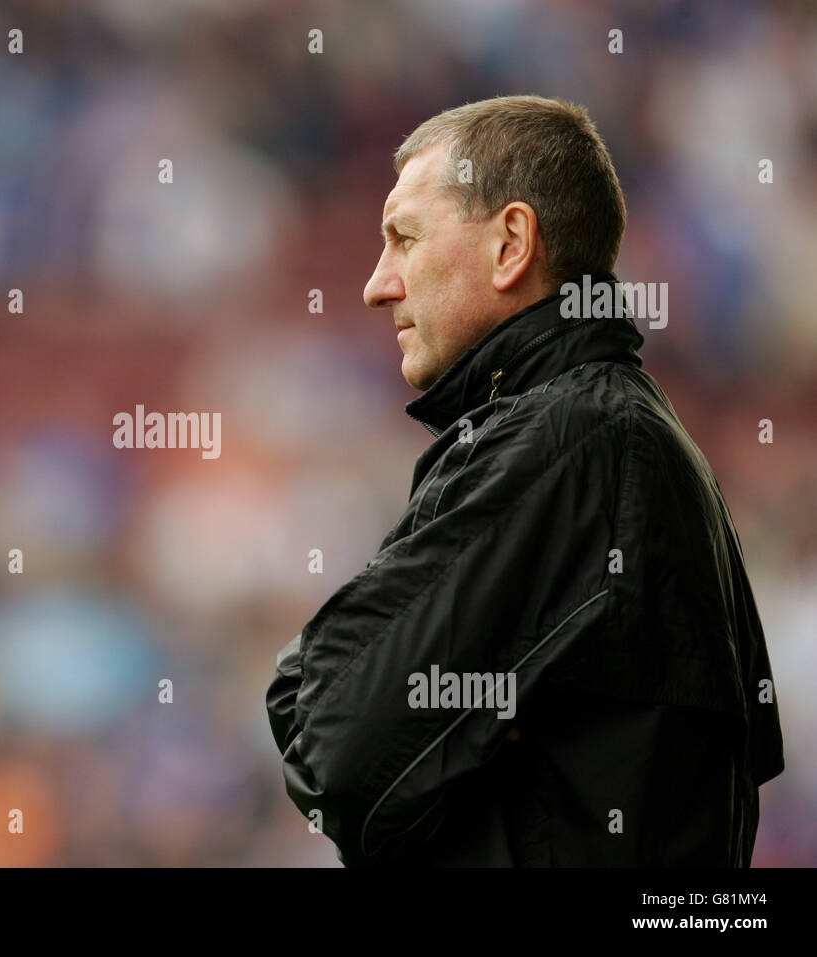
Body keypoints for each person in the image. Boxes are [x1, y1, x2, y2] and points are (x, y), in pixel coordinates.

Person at [265, 94, 784, 866]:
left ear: (511, 244)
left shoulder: (575, 442)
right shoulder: (619, 435)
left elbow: (333, 739)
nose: (378, 284)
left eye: (405, 239)